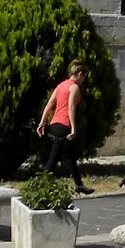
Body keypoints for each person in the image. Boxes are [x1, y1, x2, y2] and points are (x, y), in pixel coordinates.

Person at [37, 60, 91, 194]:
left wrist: (42, 123)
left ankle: (79, 184)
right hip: (64, 125)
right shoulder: (74, 87)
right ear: (80, 74)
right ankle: (41, 185)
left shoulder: (60, 86)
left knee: (70, 155)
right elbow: (71, 107)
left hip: (54, 124)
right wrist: (73, 127)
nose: (84, 80)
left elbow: (49, 105)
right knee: (54, 158)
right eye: (84, 77)